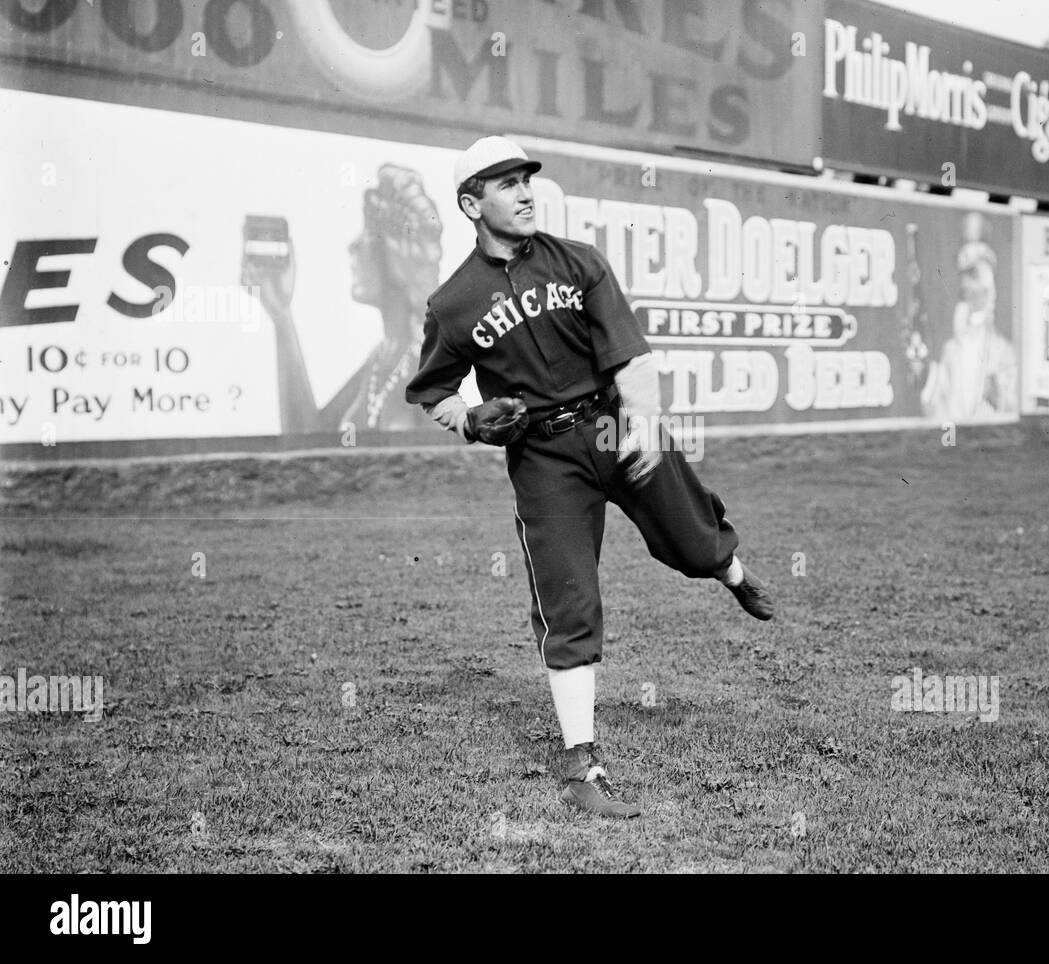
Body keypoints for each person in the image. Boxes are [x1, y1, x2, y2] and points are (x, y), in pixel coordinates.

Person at [406, 136, 774, 818]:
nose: (524, 192)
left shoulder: (579, 262)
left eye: (526, 179)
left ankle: (732, 573)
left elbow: (632, 358)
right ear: (470, 203)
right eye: (505, 183)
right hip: (543, 455)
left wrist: (641, 422)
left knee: (694, 546)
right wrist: (472, 419)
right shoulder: (453, 302)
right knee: (568, 596)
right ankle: (582, 762)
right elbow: (435, 392)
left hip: (613, 420)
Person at [243, 163, 443, 435]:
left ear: (396, 253)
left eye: (368, 233)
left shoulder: (429, 361)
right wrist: (281, 315)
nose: (354, 245)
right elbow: (309, 442)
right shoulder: (383, 358)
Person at [920, 212, 1017, 422]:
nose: (967, 286)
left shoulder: (1003, 352)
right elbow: (936, 414)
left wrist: (997, 394)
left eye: (974, 276)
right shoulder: (950, 350)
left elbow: (1012, 410)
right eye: (963, 277)